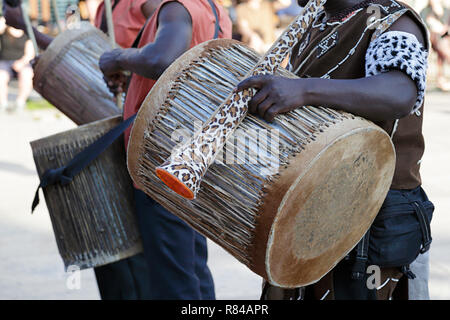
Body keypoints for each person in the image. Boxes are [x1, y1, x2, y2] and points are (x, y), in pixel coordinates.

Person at [236, 0, 434, 300]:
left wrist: (303, 91)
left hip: (372, 218)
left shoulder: (391, 19)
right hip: (313, 207)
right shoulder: (314, 20)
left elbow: (399, 92)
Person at [2, 0, 161, 300]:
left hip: (141, 141)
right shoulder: (104, 7)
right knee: (117, 256)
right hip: (113, 139)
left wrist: (31, 30)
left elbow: (163, 57)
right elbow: (95, 60)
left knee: (145, 258)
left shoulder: (148, 3)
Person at [99, 0, 232, 299]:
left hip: (163, 161)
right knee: (191, 271)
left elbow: (163, 59)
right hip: (188, 156)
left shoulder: (177, 7)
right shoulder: (211, 8)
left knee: (173, 281)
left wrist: (118, 57)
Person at [0, 16, 34, 112]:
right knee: (1, 77)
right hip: (4, 61)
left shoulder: (27, 33)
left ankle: (20, 102)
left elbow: (30, 54)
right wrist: (5, 17)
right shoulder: (4, 29)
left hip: (22, 62)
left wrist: (21, 63)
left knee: (27, 75)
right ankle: (3, 103)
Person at [421, 0, 450, 91]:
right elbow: (423, 26)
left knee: (443, 44)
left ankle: (441, 79)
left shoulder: (446, 11)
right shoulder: (425, 11)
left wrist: (442, 29)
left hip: (443, 38)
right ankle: (441, 79)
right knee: (442, 45)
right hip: (430, 39)